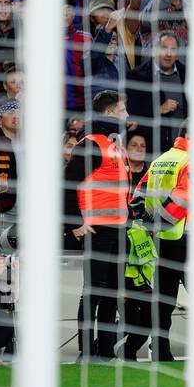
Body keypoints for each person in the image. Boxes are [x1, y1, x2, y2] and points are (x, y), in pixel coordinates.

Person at [64, 91, 130, 361]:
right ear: (109, 112)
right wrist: (74, 225)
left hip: (118, 228)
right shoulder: (91, 144)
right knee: (93, 292)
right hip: (98, 230)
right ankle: (86, 351)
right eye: (123, 110)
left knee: (112, 294)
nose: (126, 116)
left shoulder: (114, 144)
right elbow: (66, 185)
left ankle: (104, 349)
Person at [126, 131, 191, 362]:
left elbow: (136, 195)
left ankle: (160, 350)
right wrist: (158, 221)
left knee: (163, 302)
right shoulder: (192, 161)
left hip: (162, 243)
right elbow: (183, 199)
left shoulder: (159, 161)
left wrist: (147, 221)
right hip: (187, 239)